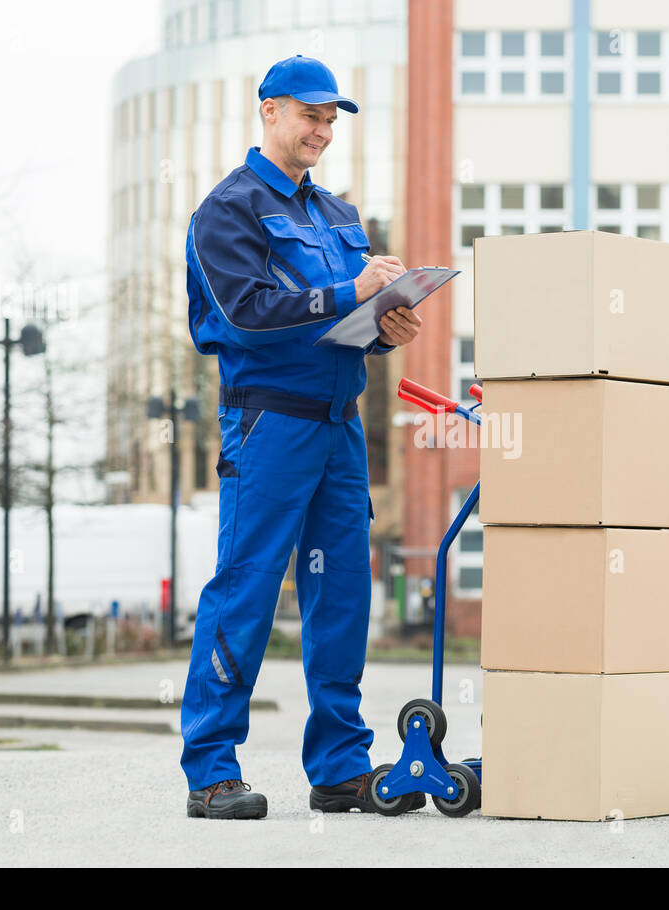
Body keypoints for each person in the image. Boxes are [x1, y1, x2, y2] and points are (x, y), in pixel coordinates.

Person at [180, 54, 423, 819]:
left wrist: (387, 328)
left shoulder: (342, 215)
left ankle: (341, 767)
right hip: (269, 425)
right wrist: (351, 290)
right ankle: (212, 769)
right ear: (270, 113)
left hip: (341, 429)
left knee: (343, 593)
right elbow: (248, 312)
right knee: (246, 588)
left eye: (331, 118)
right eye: (310, 114)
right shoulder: (229, 211)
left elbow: (345, 325)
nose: (322, 129)